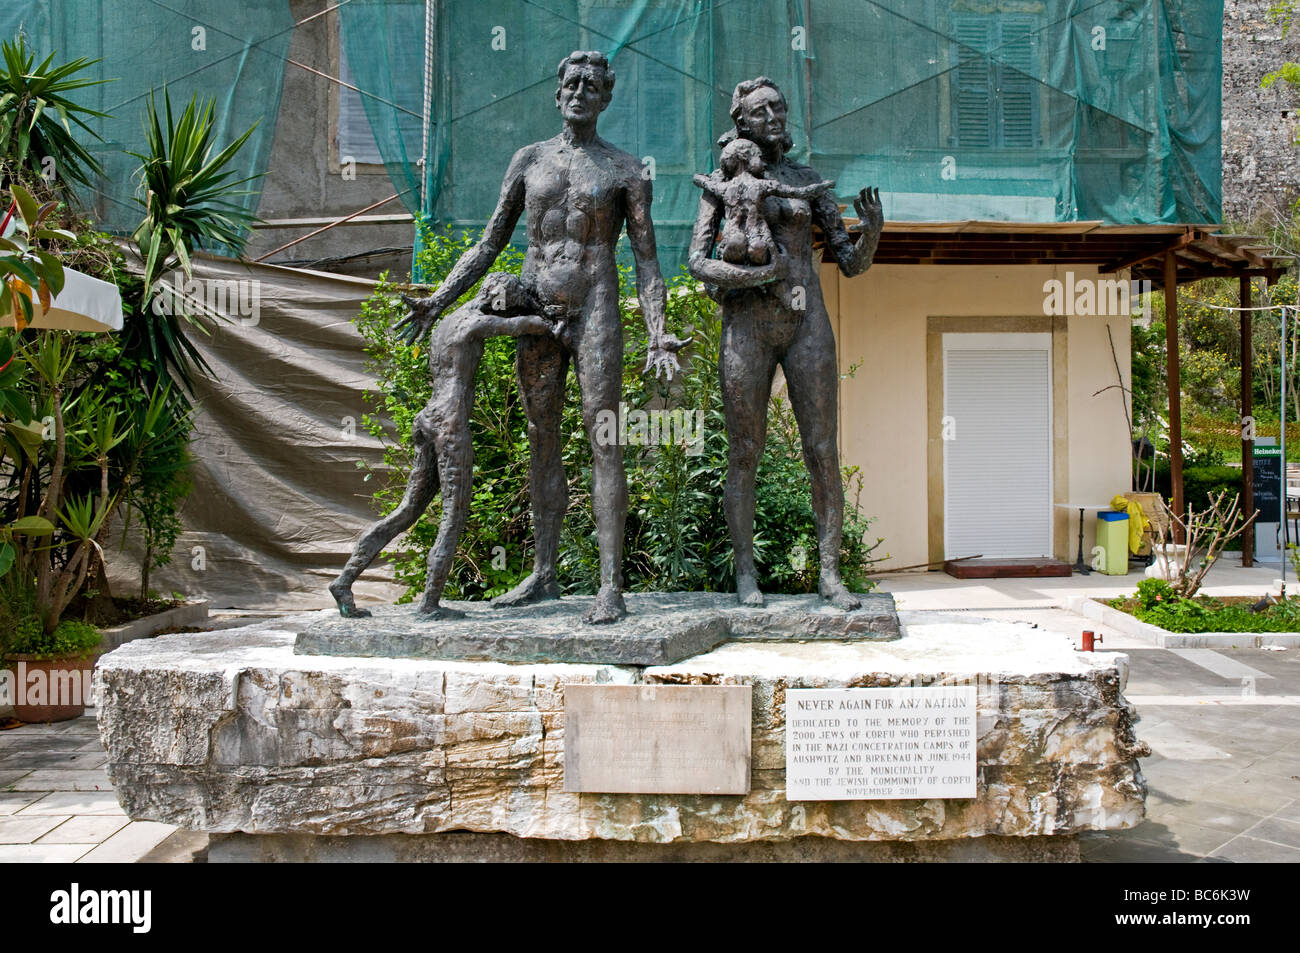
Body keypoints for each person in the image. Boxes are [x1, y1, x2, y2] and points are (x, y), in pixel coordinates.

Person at [394, 51, 687, 624]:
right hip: (535, 305)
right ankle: (544, 575)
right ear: (557, 94)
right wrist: (438, 299)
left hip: (595, 306)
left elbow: (648, 262)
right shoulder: (529, 160)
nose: (579, 91)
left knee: (606, 439)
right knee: (540, 437)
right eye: (570, 83)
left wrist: (657, 333)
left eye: (591, 85)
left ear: (605, 97)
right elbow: (489, 243)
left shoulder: (626, 170)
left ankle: (610, 588)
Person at [688, 76, 884, 611]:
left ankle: (830, 575)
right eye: (761, 109)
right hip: (747, 326)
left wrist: (871, 233)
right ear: (742, 122)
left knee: (822, 450)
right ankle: (746, 579)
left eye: (780, 106)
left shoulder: (809, 181)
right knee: (744, 453)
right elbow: (697, 262)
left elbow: (849, 262)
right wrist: (755, 279)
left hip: (807, 323)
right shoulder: (722, 182)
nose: (775, 115)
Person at [330, 274, 557, 619]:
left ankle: (345, 580)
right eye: (510, 301)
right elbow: (527, 326)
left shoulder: (449, 320)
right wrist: (553, 318)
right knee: (454, 514)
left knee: (407, 509)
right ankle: (429, 604)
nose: (509, 308)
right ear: (498, 299)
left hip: (428, 416)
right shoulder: (476, 324)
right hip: (450, 421)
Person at [693, 137, 834, 267]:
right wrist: (821, 187)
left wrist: (821, 187)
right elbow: (797, 192)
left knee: (757, 248)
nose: (764, 163)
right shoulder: (747, 186)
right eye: (759, 157)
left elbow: (796, 192)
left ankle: (756, 272)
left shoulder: (735, 187)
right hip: (738, 234)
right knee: (738, 243)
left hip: (757, 234)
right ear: (744, 158)